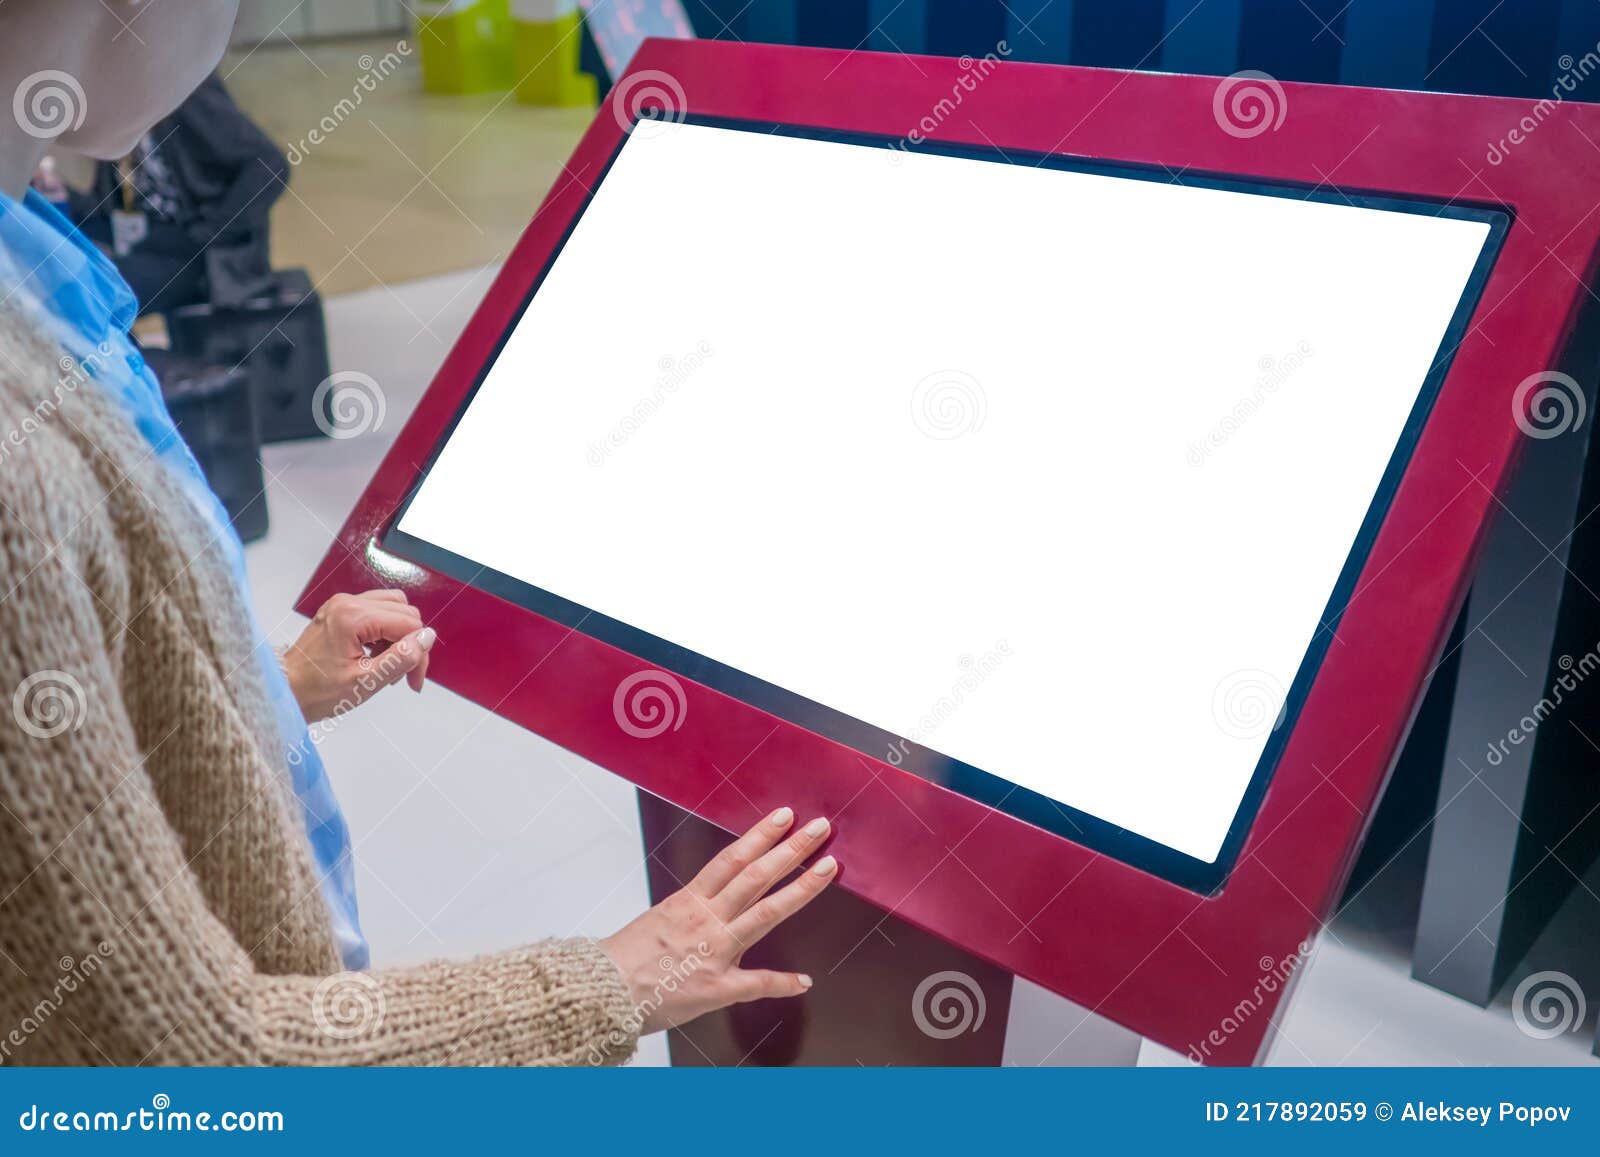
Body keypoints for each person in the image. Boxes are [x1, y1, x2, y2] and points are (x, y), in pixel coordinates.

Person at [0, 0, 837, 1065]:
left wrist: (253, 692)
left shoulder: (37, 278)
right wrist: (613, 979)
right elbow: (182, 1064)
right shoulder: (20, 468)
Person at [64, 72, 287, 314]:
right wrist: (61, 195)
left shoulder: (185, 92)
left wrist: (211, 230)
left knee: (94, 293)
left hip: (199, 256)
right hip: (146, 238)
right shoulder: (115, 120)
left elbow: (271, 166)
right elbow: (106, 211)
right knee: (64, 272)